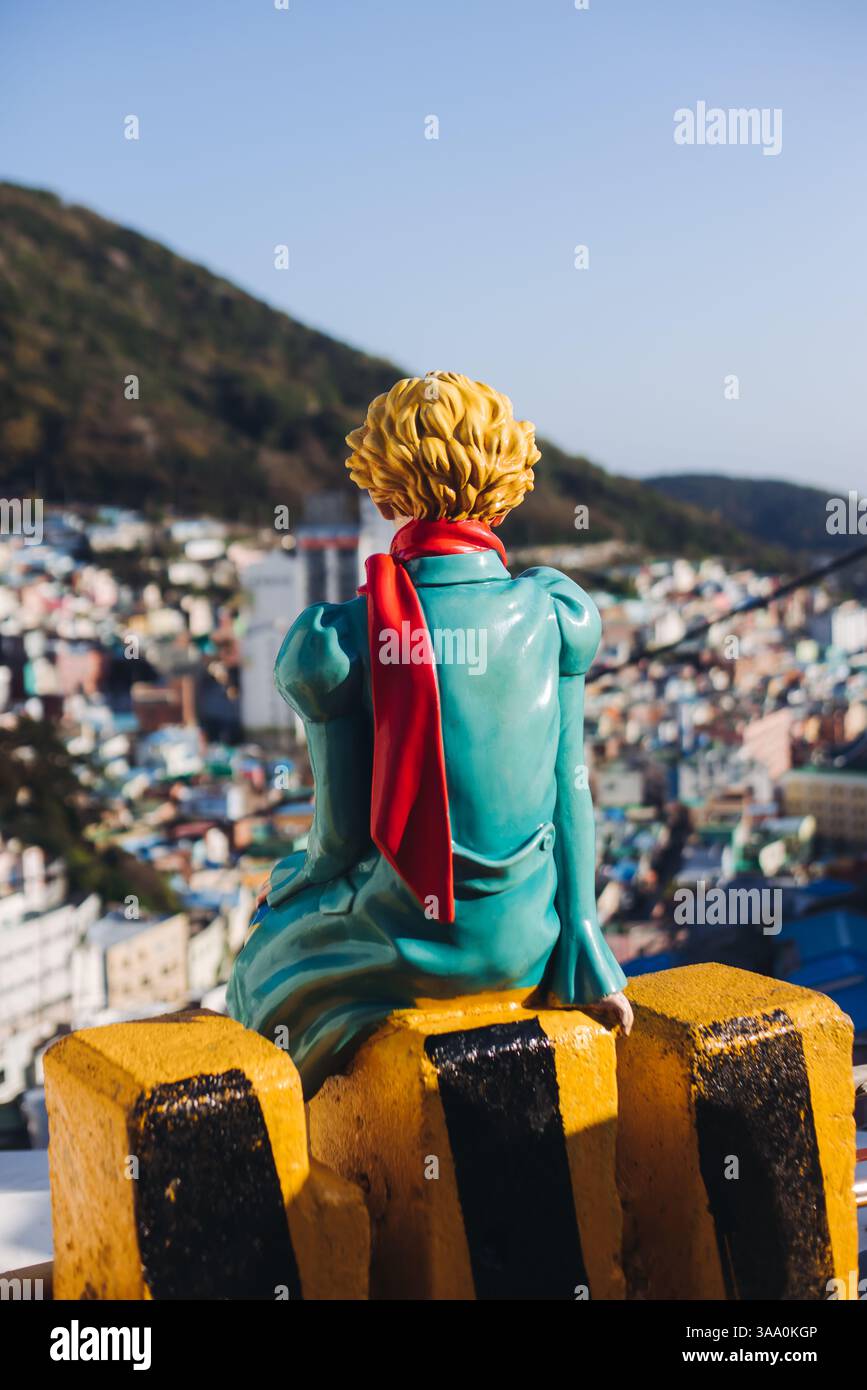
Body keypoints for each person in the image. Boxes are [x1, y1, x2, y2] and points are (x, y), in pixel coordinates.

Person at [228, 372, 632, 1097]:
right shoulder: (552, 612)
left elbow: (341, 840)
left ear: (382, 492)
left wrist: (293, 877)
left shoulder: (342, 638)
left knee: (262, 967)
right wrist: (583, 934)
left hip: (411, 944)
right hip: (530, 940)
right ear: (508, 483)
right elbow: (572, 791)